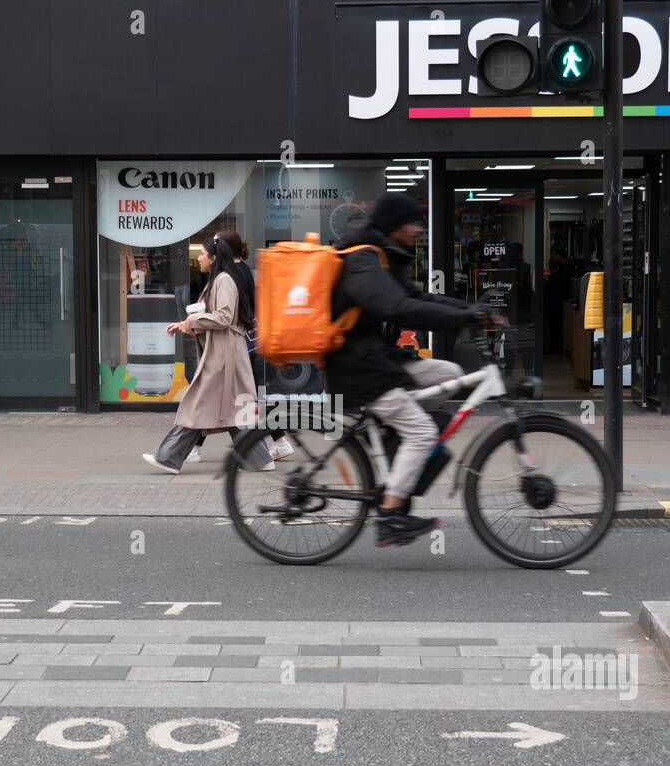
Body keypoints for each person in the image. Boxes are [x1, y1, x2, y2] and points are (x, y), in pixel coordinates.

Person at [326, 192, 493, 546]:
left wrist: (469, 311)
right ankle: (390, 516)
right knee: (421, 432)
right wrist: (461, 317)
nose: (418, 229)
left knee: (449, 374)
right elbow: (398, 308)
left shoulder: (384, 256)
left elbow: (421, 299)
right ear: (394, 226)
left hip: (378, 359)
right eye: (412, 223)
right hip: (358, 368)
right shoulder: (363, 261)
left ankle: (394, 443)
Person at [142, 236, 273, 473]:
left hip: (223, 355)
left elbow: (223, 317)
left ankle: (169, 457)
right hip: (224, 352)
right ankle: (260, 459)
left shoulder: (223, 280)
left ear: (213, 259)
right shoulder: (221, 279)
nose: (199, 258)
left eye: (202, 254)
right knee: (234, 411)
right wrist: (186, 323)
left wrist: (191, 321)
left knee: (197, 405)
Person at [187, 229, 293, 464]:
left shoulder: (231, 274)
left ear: (223, 248)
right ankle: (276, 442)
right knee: (241, 400)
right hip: (243, 344)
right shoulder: (239, 270)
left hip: (236, 345)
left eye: (214, 243)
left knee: (218, 397)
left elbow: (229, 313)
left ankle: (194, 446)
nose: (210, 247)